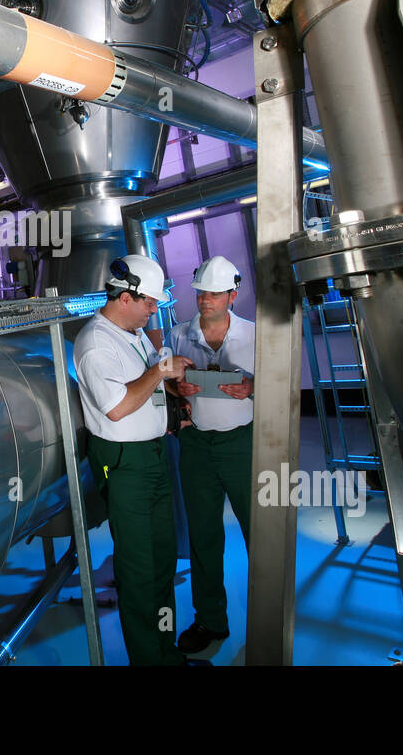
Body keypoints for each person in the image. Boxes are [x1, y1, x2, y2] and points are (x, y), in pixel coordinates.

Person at [73, 254, 193, 665]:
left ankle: (166, 651)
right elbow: (118, 408)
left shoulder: (133, 333)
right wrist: (161, 370)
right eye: (149, 302)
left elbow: (146, 388)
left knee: (161, 562)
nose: (153, 309)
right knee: (140, 571)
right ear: (125, 297)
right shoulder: (95, 343)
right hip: (124, 464)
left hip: (153, 455)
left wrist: (177, 391)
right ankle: (150, 660)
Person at [166, 254, 255, 655]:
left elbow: (280, 384)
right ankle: (210, 622)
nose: (205, 300)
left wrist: (252, 388)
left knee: (262, 533)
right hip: (197, 445)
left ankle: (270, 615)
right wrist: (176, 390)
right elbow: (167, 383)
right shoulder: (179, 335)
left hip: (243, 443)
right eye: (201, 292)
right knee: (204, 537)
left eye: (215, 293)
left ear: (233, 295)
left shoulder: (256, 335)